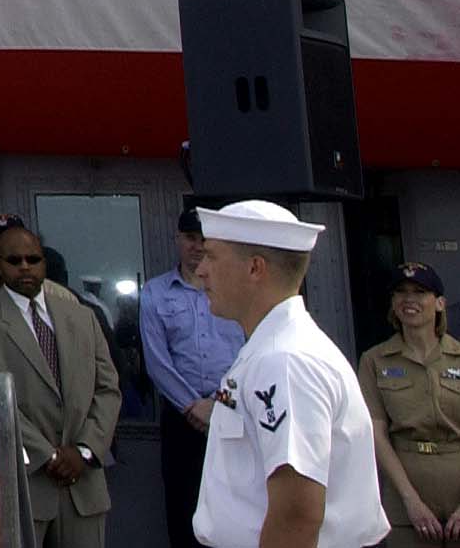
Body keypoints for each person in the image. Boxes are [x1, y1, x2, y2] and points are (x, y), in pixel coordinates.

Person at [191, 199, 387, 548]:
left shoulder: (284, 360)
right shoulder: (272, 350)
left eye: (211, 256)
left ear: (255, 268)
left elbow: (297, 512)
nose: (200, 270)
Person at [0, 216, 120, 546]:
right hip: (25, 486)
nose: (25, 267)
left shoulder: (81, 316)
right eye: (14, 260)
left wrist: (83, 451)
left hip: (83, 487)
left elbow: (108, 389)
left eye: (33, 259)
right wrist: (48, 456)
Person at [141, 207, 247, 548]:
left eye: (204, 239)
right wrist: (193, 405)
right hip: (182, 417)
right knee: (184, 509)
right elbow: (157, 362)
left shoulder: (234, 289)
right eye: (190, 238)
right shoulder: (155, 293)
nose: (197, 246)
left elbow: (250, 353)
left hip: (233, 410)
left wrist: (220, 402)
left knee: (236, 506)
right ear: (177, 239)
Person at [359, 262, 460, 547]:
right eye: (401, 292)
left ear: (439, 303)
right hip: (405, 491)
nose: (409, 299)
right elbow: (376, 431)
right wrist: (410, 500)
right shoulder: (375, 361)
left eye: (419, 292)